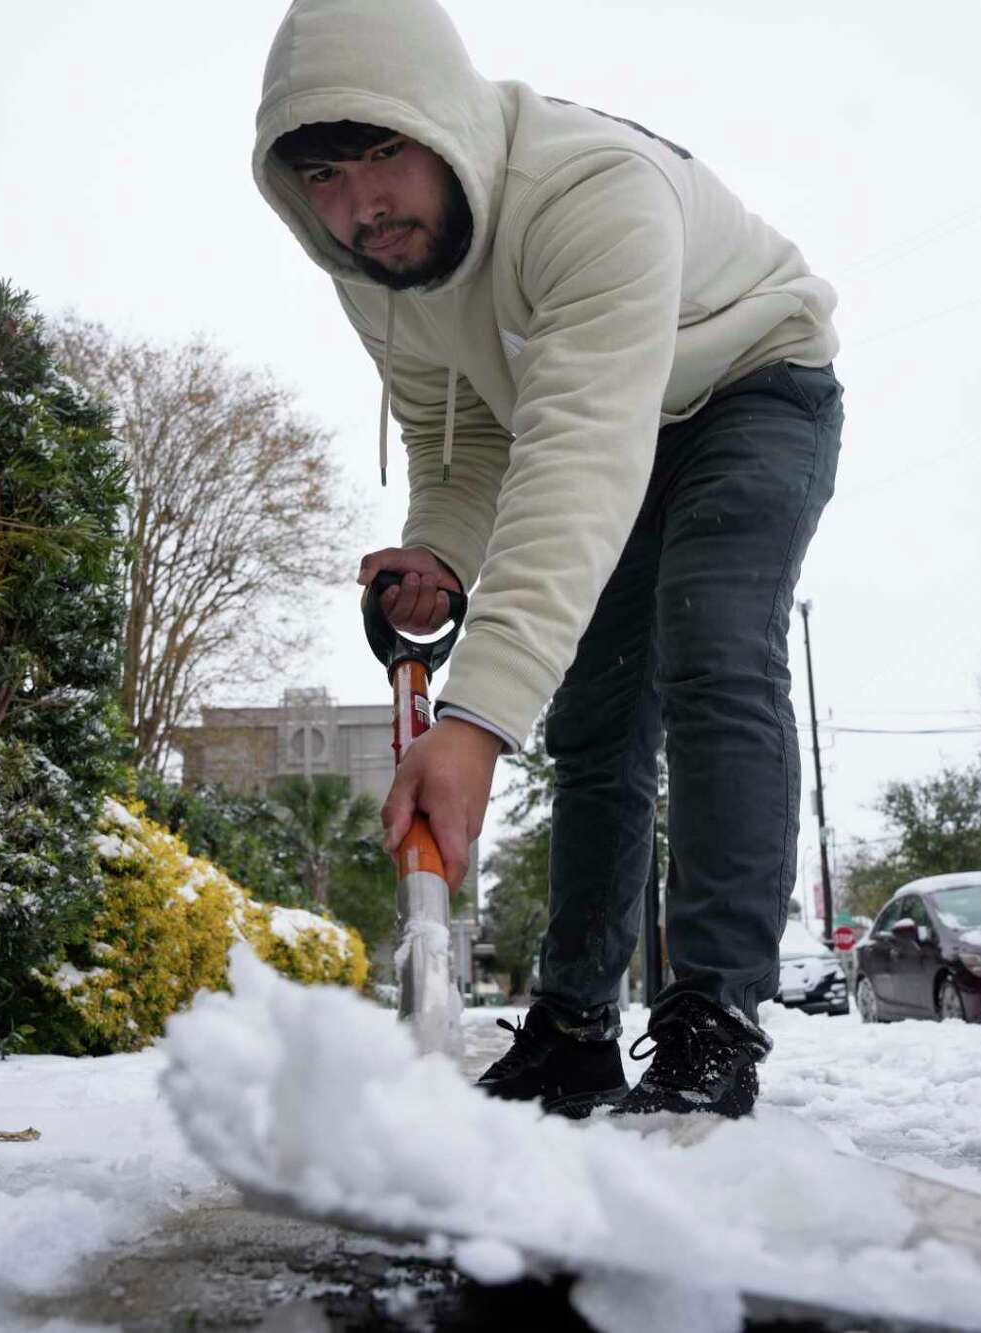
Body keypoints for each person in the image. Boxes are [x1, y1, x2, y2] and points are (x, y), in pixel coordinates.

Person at [253, 0, 842, 1118]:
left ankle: (712, 1016)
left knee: (710, 644)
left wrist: (474, 722)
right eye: (322, 174)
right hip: (599, 422)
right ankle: (573, 1028)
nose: (361, 204)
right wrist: (439, 547)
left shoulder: (590, 192)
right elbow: (463, 435)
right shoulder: (377, 264)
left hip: (749, 387)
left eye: (382, 153)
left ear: (443, 121)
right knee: (593, 717)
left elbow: (575, 454)